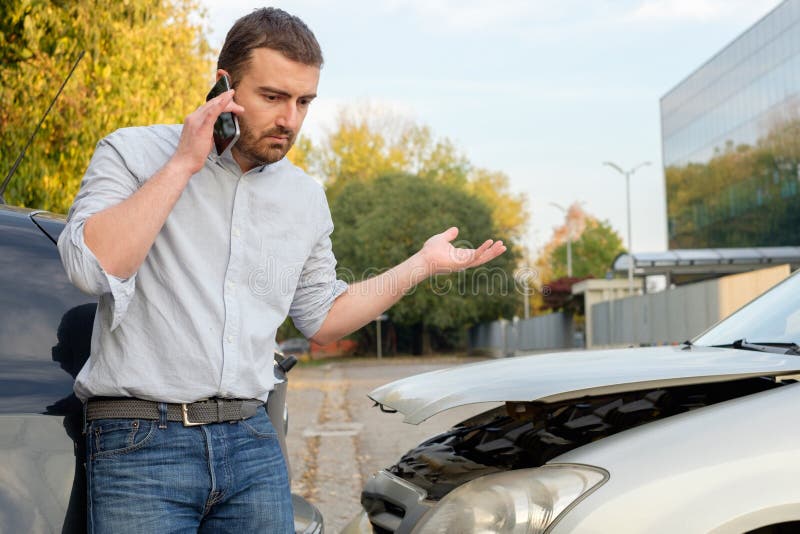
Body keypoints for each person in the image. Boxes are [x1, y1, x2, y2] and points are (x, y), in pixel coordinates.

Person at [58, 7, 506, 533]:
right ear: (224, 87)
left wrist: (421, 265)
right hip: (140, 444)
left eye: (304, 102)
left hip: (251, 442)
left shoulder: (305, 198)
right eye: (272, 97)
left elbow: (322, 318)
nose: (289, 119)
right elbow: (93, 268)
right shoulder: (133, 152)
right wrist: (184, 163)